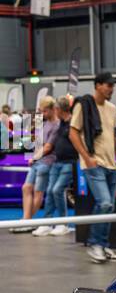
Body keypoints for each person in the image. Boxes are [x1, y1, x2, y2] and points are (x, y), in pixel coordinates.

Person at [68, 72, 116, 263]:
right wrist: (87, 158)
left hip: (110, 165)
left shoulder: (112, 108)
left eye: (112, 85)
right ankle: (95, 244)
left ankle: (103, 244)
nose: (111, 88)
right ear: (98, 85)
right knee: (105, 203)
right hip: (94, 163)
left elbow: (114, 135)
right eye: (108, 85)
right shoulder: (84, 105)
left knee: (109, 207)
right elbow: (73, 133)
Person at [13, 96, 58, 232]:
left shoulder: (56, 125)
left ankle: (27, 221)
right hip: (37, 161)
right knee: (26, 188)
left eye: (44, 111)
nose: (42, 114)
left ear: (52, 109)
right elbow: (38, 143)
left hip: (47, 162)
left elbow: (48, 147)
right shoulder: (44, 124)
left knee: (38, 192)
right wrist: (31, 156)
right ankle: (26, 220)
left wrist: (34, 157)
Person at [40, 96, 77, 235]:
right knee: (49, 191)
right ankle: (47, 223)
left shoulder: (73, 122)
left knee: (57, 190)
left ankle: (63, 223)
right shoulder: (60, 123)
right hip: (57, 162)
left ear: (60, 109)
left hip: (69, 162)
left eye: (56, 108)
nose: (55, 111)